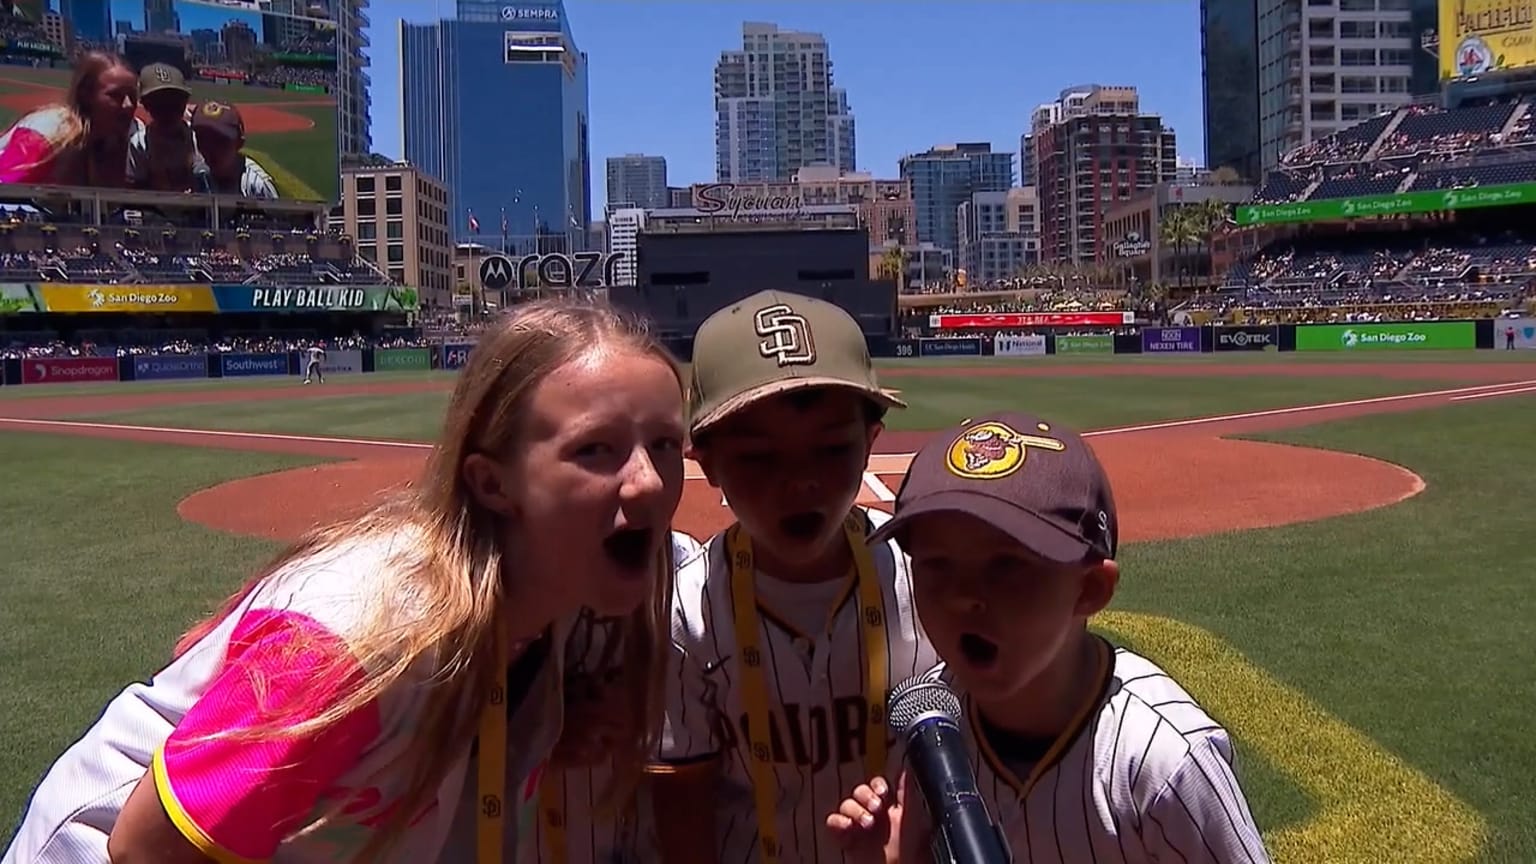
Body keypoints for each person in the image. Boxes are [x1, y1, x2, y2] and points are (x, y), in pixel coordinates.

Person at [1, 299, 689, 864]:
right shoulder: (357, 638)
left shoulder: (562, 570)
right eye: (595, 449)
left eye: (664, 444)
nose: (650, 481)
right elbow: (148, 850)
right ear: (491, 481)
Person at [826, 411, 1273, 864]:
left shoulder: (1163, 760)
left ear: (1089, 589)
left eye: (1007, 566)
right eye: (936, 563)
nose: (963, 597)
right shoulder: (933, 726)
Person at [648, 290, 939, 864]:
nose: (800, 481)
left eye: (831, 450)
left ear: (870, 445)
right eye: (759, 459)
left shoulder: (924, 569)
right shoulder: (687, 611)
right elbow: (683, 805)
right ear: (706, 461)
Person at [521, 533, 702, 864]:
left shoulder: (687, 569)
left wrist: (654, 706)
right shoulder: (508, 574)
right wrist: (532, 739)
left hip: (644, 838)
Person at [0, 50, 139, 187]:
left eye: (132, 95)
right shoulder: (47, 133)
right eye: (115, 95)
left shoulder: (133, 132)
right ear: (85, 94)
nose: (128, 105)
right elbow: (5, 191)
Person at [127, 62, 208, 193]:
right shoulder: (139, 143)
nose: (169, 110)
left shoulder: (197, 135)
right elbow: (135, 191)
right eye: (160, 104)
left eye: (175, 102)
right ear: (147, 105)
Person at [190, 100, 279, 199]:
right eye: (202, 138)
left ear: (239, 143)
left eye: (219, 141)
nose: (210, 148)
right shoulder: (198, 177)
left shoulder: (257, 185)